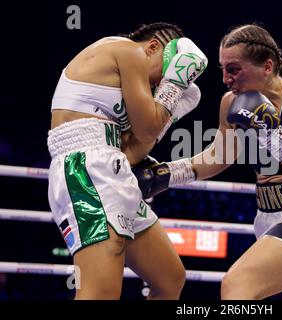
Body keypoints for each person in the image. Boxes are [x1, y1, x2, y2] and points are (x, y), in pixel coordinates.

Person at [132, 23, 282, 300]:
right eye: (222, 68)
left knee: (238, 286)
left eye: (233, 69)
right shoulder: (230, 102)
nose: (225, 78)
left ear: (268, 67)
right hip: (267, 216)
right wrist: (168, 173)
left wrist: (270, 131)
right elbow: (219, 156)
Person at [48, 22, 208, 299]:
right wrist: (176, 83)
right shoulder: (127, 50)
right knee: (100, 292)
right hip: (85, 168)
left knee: (170, 280)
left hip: (112, 167)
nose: (158, 85)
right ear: (153, 47)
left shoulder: (128, 87)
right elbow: (148, 127)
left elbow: (132, 151)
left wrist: (168, 111)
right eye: (164, 71)